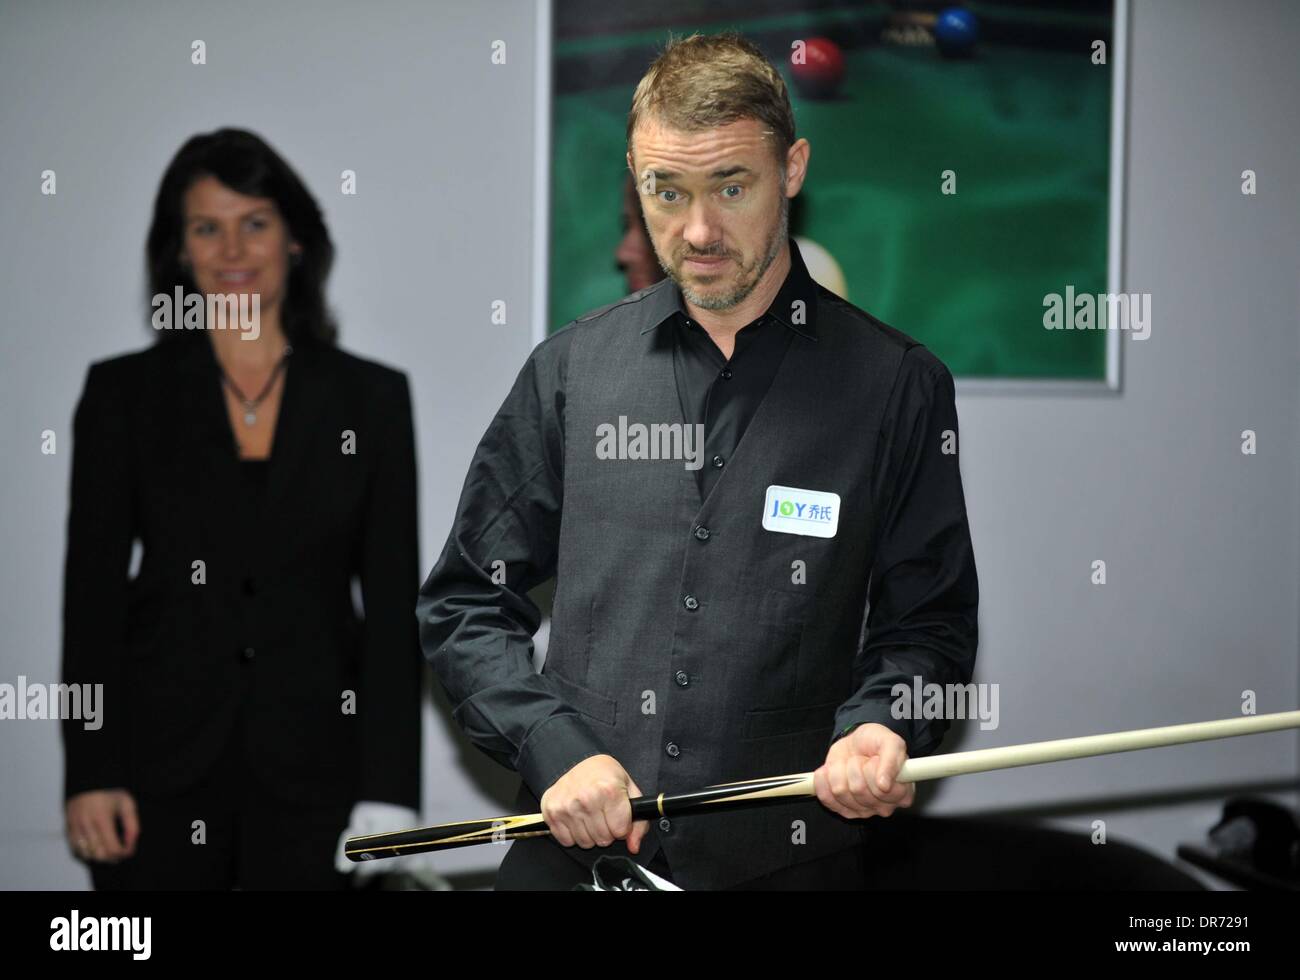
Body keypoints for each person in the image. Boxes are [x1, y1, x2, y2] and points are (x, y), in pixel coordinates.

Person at [418, 33, 979, 890]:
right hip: (577, 861)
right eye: (665, 192)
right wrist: (553, 746)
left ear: (792, 168)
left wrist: (881, 723)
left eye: (731, 186)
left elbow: (928, 623)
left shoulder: (896, 386)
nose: (699, 230)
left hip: (789, 862)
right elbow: (464, 601)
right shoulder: (570, 372)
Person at [61, 128, 422, 889]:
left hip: (321, 781)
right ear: (179, 251)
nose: (232, 248)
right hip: (152, 780)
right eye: (206, 227)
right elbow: (90, 598)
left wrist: (390, 790)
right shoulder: (122, 395)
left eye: (254, 222)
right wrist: (90, 770)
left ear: (294, 239)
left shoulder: (372, 399)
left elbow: (391, 610)